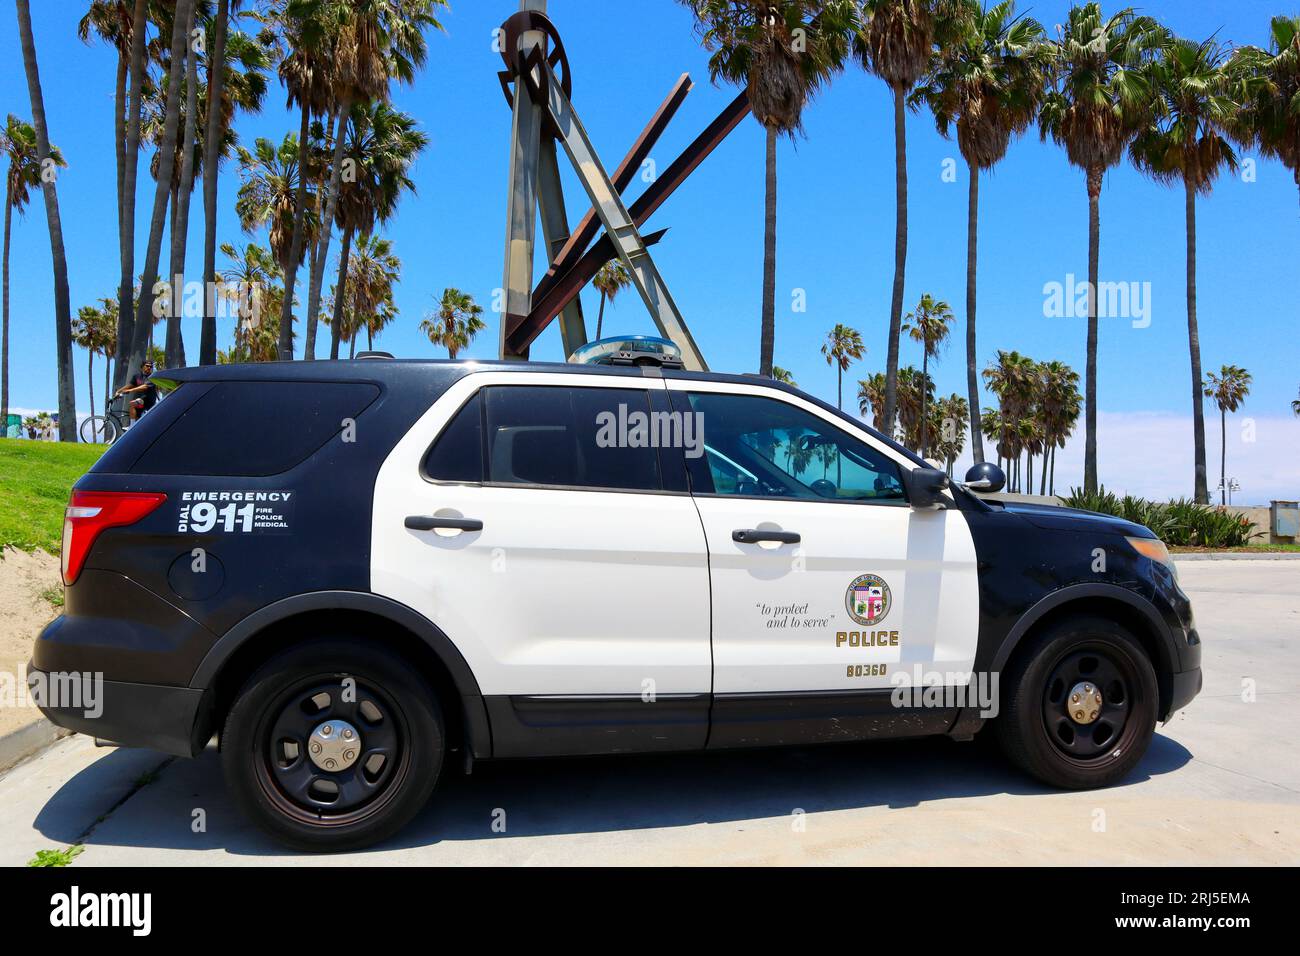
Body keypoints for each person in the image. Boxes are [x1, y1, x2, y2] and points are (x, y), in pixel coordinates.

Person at [116, 360, 158, 427]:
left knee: (133, 403)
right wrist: (119, 391)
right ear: (142, 367)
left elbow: (145, 387)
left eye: (151, 367)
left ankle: (131, 427)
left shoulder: (152, 377)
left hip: (148, 400)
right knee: (137, 419)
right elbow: (130, 385)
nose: (149, 368)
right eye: (147, 366)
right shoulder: (137, 376)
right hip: (140, 400)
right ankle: (136, 426)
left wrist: (130, 390)